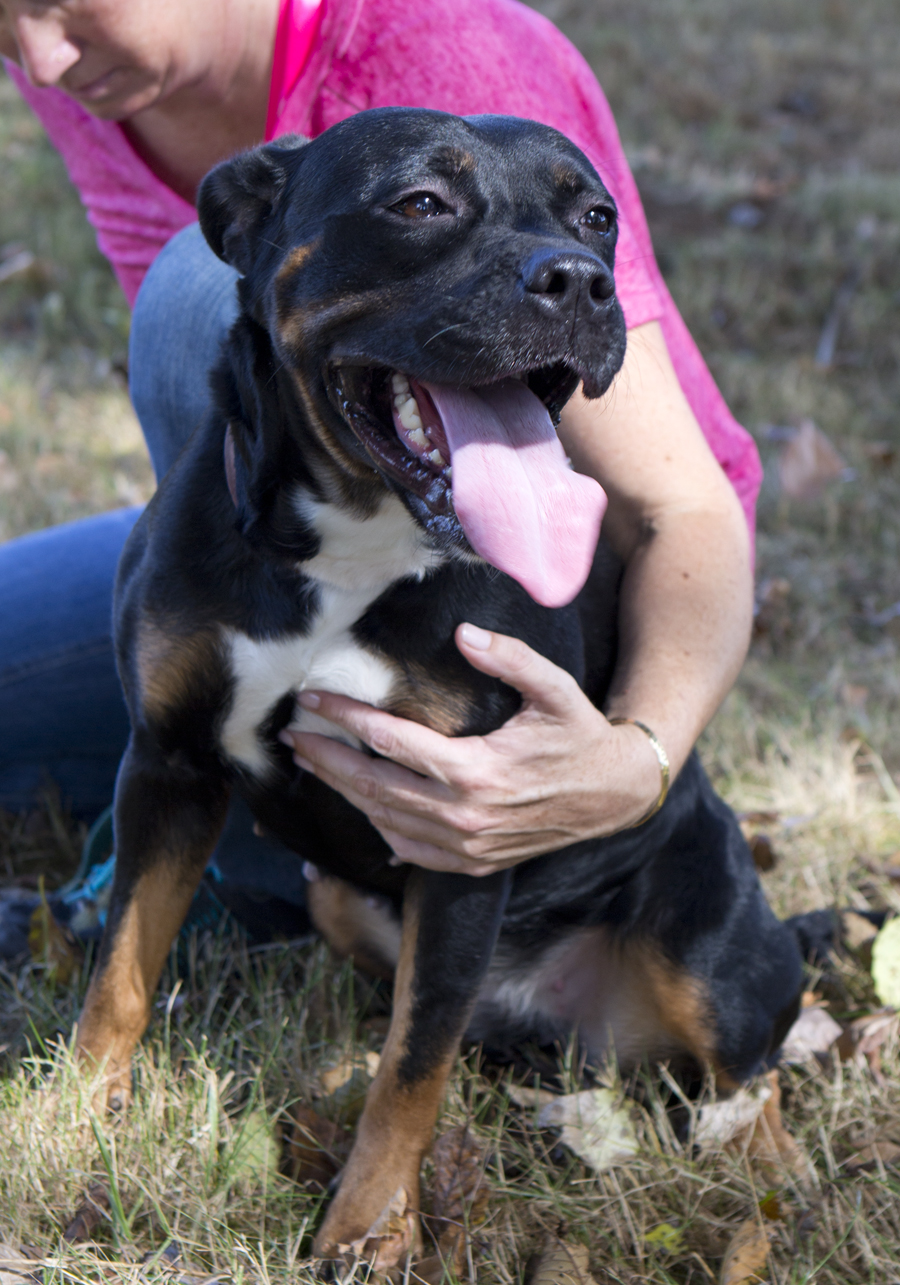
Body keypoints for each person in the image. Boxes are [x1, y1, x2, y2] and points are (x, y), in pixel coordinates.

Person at [0, 0, 756, 900]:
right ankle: (250, 770)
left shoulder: (444, 56)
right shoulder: (88, 71)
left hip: (556, 574)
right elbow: (226, 418)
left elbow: (685, 510)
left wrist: (634, 761)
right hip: (303, 538)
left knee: (192, 292)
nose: (41, 62)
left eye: (65, 3)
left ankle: (263, 871)